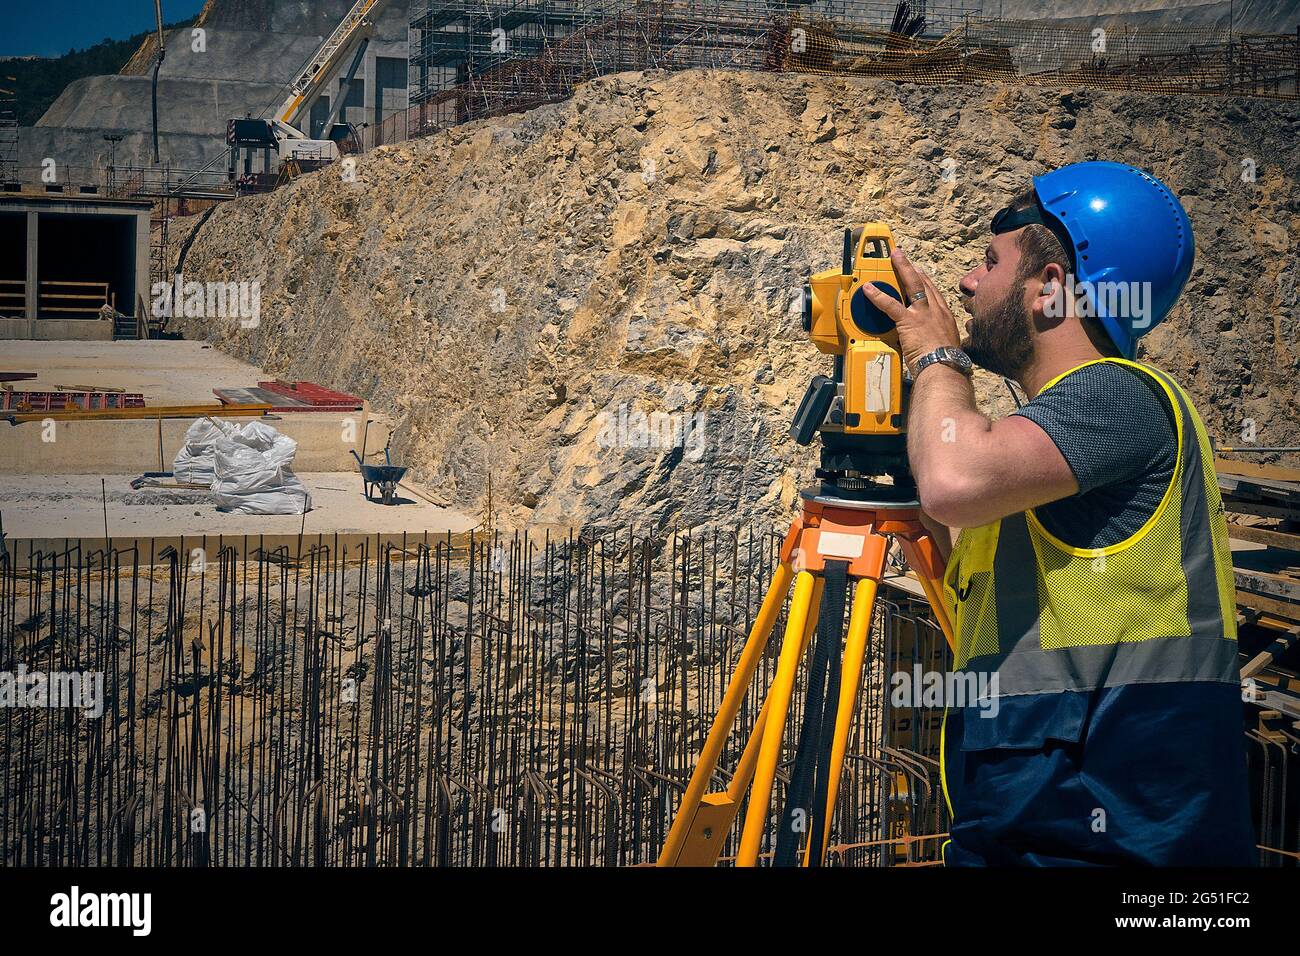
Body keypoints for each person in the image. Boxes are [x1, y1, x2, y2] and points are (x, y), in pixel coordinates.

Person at [861, 160, 1255, 866]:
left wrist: (937, 357)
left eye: (989, 263)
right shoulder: (1040, 450)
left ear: (1049, 289)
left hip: (1118, 840)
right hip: (1033, 820)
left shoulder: (1120, 397)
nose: (966, 284)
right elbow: (972, 561)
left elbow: (953, 481)